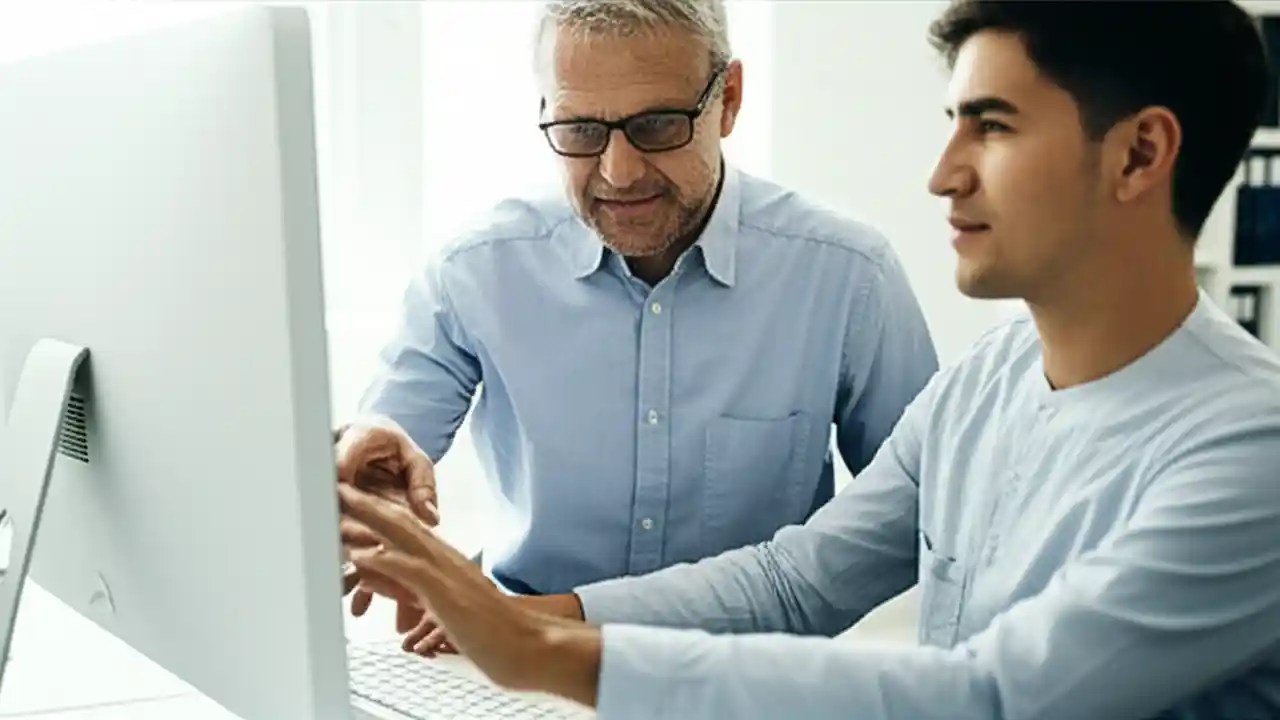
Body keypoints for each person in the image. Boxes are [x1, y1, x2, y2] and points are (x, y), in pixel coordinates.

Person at [336, 1, 1280, 717]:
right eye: (952, 124)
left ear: (1139, 154)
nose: (941, 173)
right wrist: (543, 616)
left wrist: (540, 646)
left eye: (990, 126)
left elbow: (993, 697)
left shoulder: (1251, 452)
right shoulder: (987, 383)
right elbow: (799, 577)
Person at [336, 0, 938, 649]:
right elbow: (384, 451)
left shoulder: (849, 277)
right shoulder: (473, 272)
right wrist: (370, 502)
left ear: (728, 100)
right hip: (517, 667)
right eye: (581, 130)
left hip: (749, 680)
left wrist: (556, 618)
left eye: (657, 125)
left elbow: (915, 521)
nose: (619, 173)